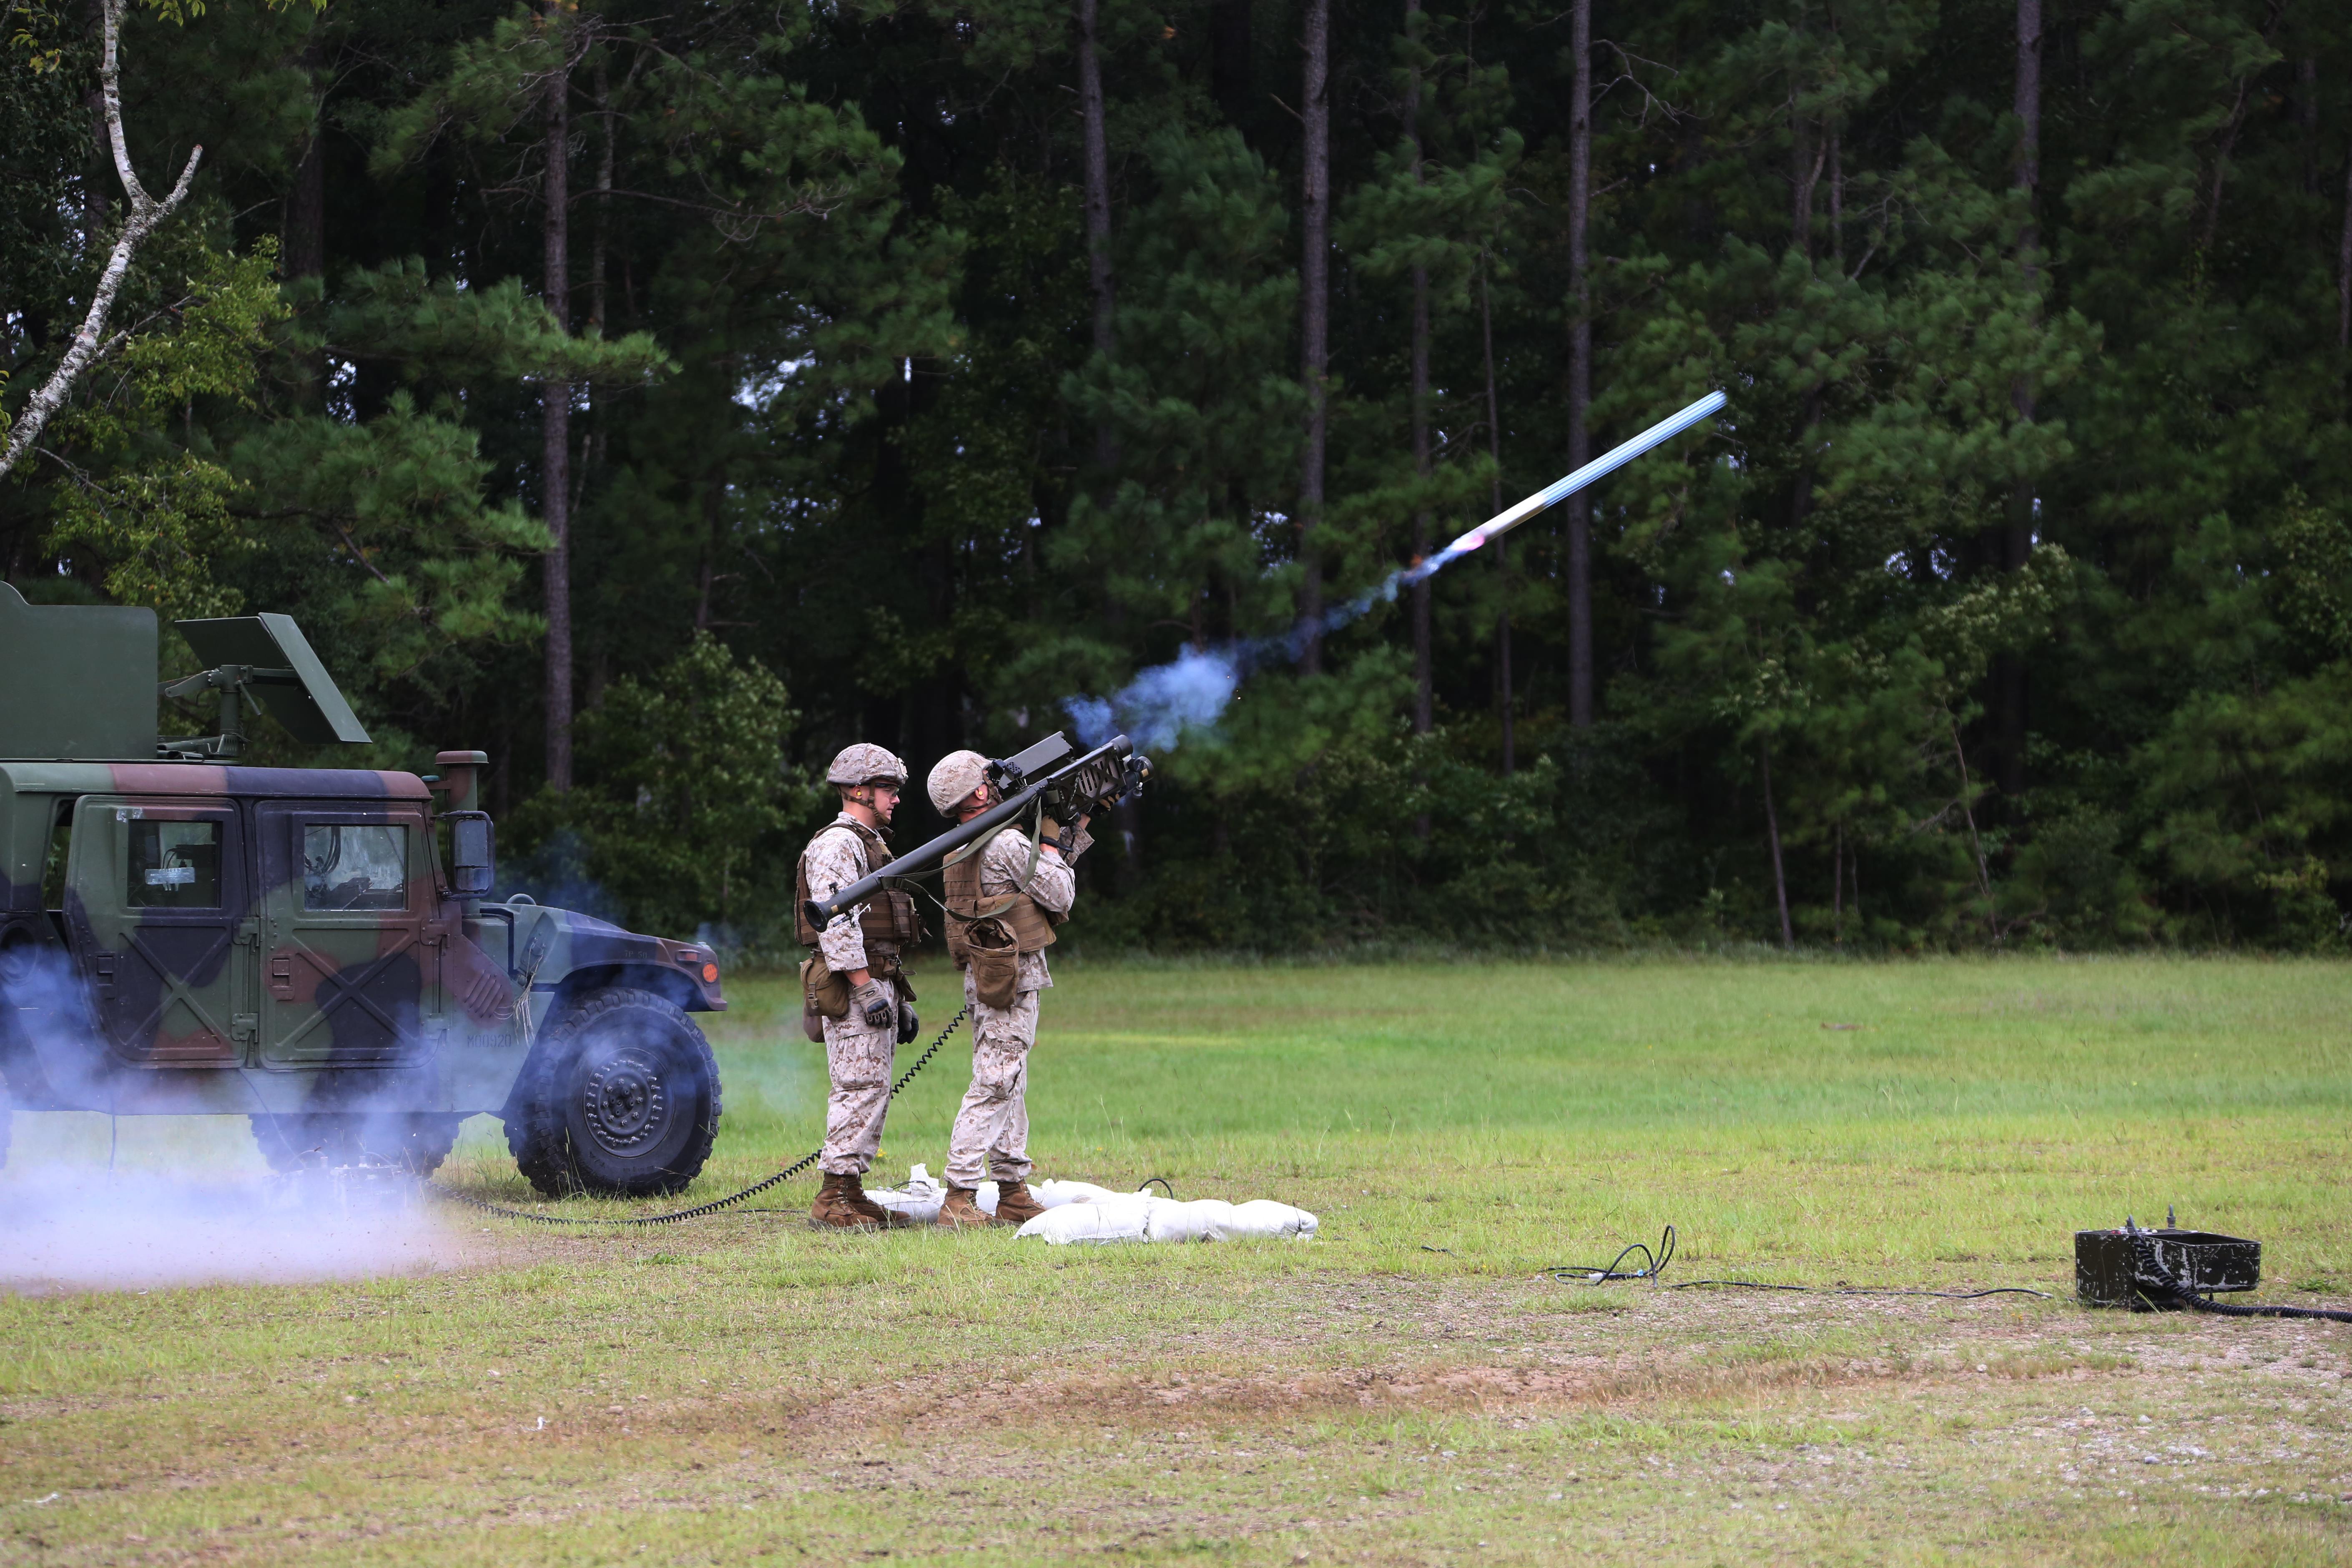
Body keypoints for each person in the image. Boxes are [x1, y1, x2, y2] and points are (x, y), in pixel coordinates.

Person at [924, 749, 1090, 1229]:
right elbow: (1060, 894)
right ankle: (959, 1194)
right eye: (988, 780)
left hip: (987, 975)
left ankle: (1013, 1190)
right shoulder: (1005, 843)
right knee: (996, 1081)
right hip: (1012, 977)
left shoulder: (963, 844)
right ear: (979, 792)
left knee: (1008, 1080)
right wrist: (1053, 843)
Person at [796, 743, 922, 1231]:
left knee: (872, 1087)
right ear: (857, 789)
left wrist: (894, 992)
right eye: (887, 789)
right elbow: (835, 920)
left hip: (874, 979)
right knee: (856, 1087)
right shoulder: (837, 843)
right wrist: (866, 987)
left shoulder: (868, 841)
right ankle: (833, 1198)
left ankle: (850, 1191)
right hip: (853, 985)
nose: (895, 799)